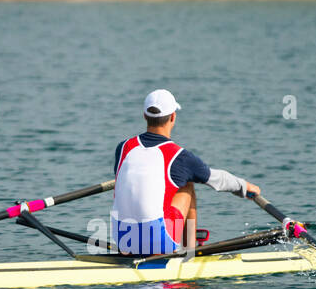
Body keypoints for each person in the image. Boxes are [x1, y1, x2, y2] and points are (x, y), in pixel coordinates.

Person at [112, 89, 261, 256]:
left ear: (144, 116)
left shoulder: (123, 148)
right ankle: (189, 251)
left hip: (122, 239)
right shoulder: (179, 157)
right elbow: (218, 180)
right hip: (158, 242)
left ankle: (137, 249)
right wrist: (244, 186)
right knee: (186, 186)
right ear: (173, 117)